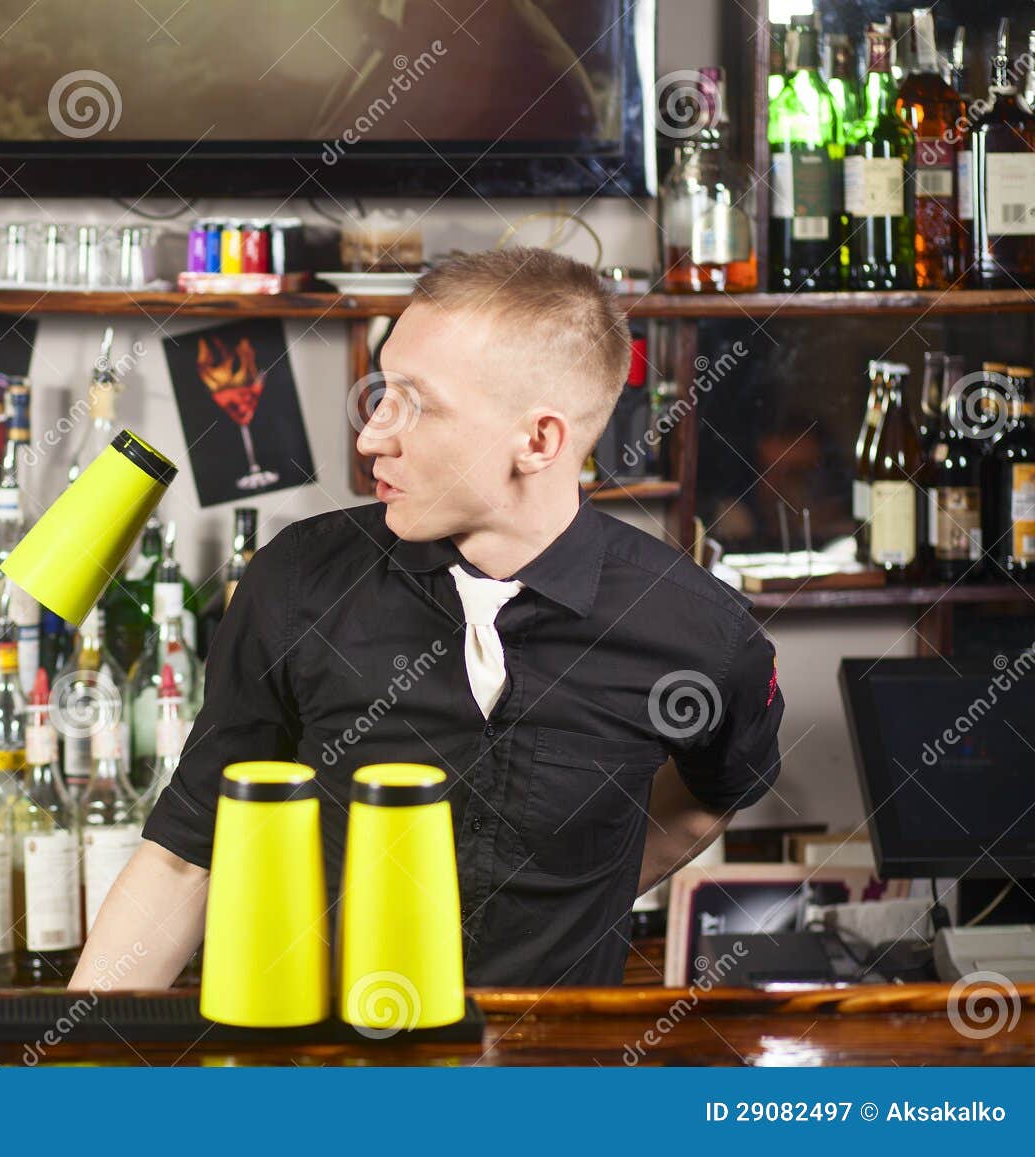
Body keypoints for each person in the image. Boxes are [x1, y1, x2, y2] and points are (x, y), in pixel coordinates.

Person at [72, 247, 784, 989]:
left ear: (538, 441)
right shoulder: (297, 582)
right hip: (333, 1072)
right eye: (381, 393)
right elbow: (186, 857)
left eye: (415, 403)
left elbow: (712, 795)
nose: (372, 434)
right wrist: (66, 1072)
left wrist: (576, 899)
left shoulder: (702, 634)